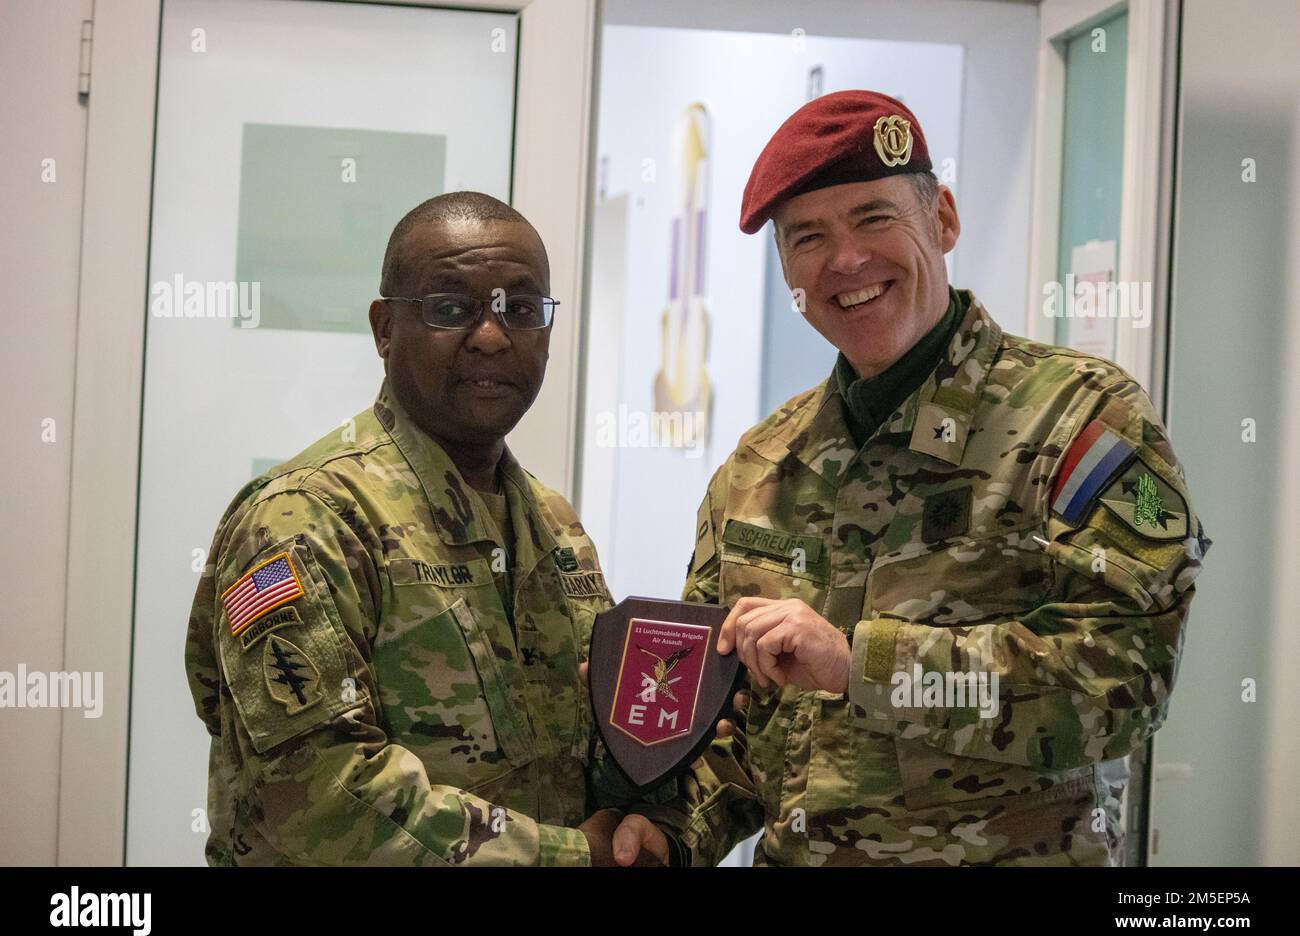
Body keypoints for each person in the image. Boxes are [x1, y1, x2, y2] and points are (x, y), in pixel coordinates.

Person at [610, 90, 1210, 867]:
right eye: (808, 238)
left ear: (944, 220)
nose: (846, 260)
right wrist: (669, 830)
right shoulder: (761, 465)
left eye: (874, 218)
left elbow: (1125, 679)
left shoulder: (1080, 422)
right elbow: (731, 725)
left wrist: (865, 666)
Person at [185, 191, 634, 865]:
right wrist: (577, 858)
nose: (491, 335)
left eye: (521, 308)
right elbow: (322, 796)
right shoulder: (308, 520)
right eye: (450, 308)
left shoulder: (554, 526)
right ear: (384, 329)